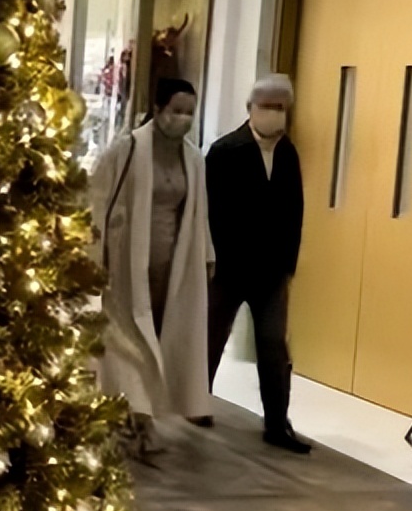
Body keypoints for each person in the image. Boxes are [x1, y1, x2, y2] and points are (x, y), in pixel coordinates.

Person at [92, 77, 214, 458]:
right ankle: (136, 421)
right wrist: (96, 256)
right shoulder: (127, 150)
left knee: (159, 339)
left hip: (172, 267)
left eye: (190, 112)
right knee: (130, 346)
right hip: (127, 266)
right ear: (158, 110)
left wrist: (206, 255)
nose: (183, 118)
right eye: (177, 110)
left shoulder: (193, 159)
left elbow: (198, 214)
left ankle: (139, 418)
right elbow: (97, 201)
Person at [205, 73, 310, 454]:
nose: (273, 113)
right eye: (266, 106)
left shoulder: (288, 153)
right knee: (211, 337)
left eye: (280, 107)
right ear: (250, 108)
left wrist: (288, 264)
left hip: (271, 271)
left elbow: (295, 211)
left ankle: (277, 423)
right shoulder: (225, 151)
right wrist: (214, 259)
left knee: (273, 344)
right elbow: (213, 211)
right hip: (229, 268)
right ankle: (196, 403)